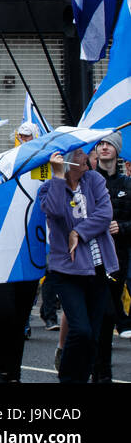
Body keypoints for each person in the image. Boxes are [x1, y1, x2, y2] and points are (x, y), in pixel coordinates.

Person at [41, 146, 119, 383]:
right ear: (66, 162)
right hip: (67, 270)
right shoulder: (49, 187)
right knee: (81, 330)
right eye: (78, 155)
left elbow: (105, 213)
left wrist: (78, 231)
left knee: (93, 335)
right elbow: (54, 211)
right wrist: (56, 176)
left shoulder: (93, 179)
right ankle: (67, 378)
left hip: (98, 267)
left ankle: (81, 379)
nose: (86, 157)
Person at [93, 132, 131, 382]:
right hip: (92, 258)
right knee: (99, 315)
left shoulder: (127, 185)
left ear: (117, 151)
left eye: (110, 144)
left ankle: (101, 372)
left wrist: (123, 227)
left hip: (118, 259)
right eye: (101, 144)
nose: (105, 148)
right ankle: (95, 369)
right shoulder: (88, 181)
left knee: (107, 316)